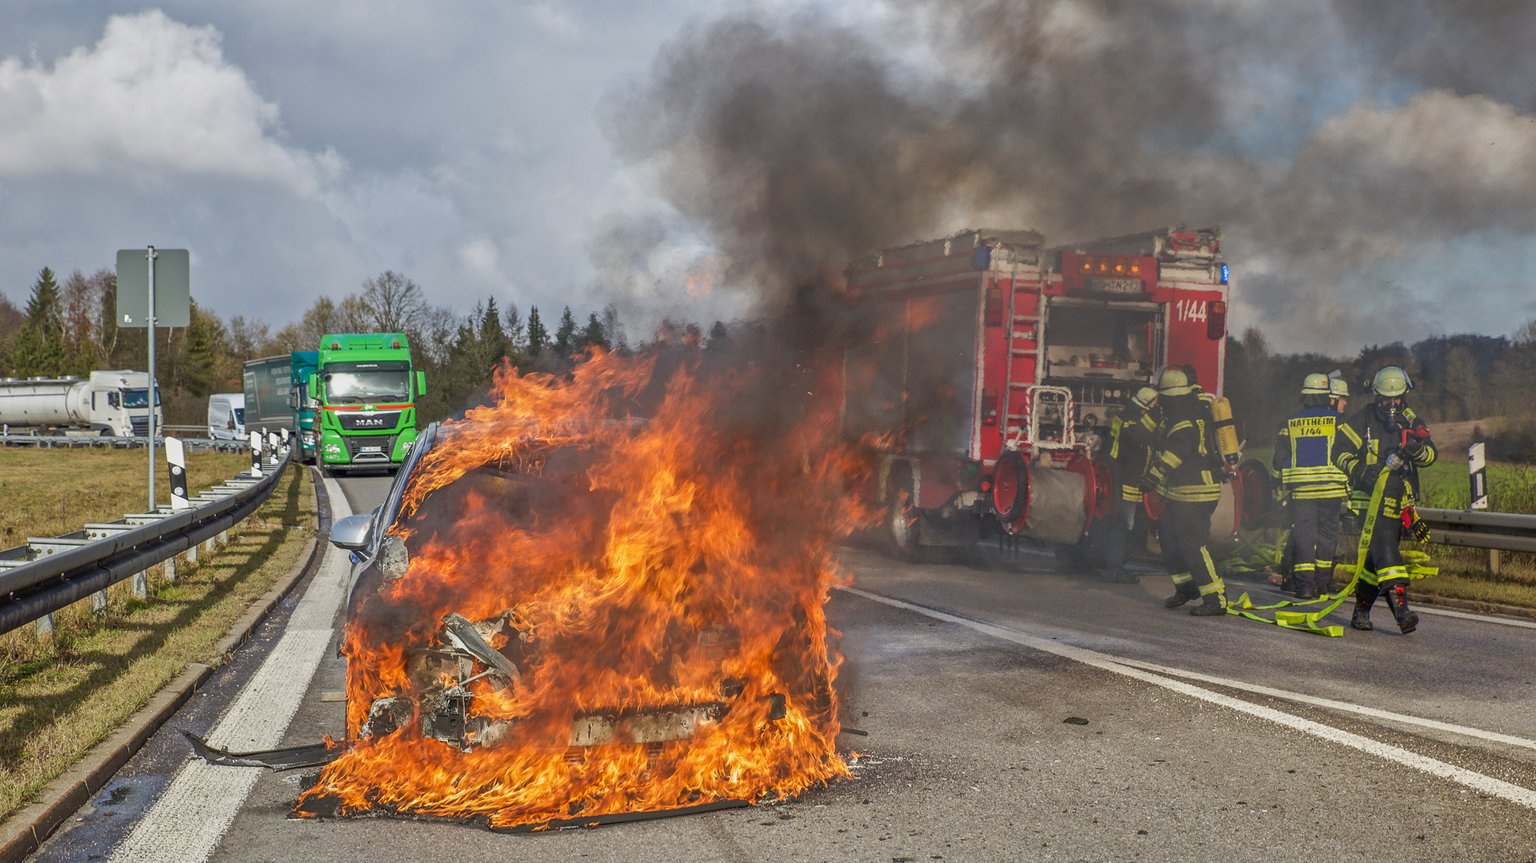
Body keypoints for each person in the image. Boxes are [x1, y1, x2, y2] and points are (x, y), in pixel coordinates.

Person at [1333, 366, 1436, 633]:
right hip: (1368, 502)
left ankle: (1360, 612)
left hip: (1399, 503)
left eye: (1397, 399)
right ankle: (1402, 611)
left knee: (1373, 559)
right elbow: (1339, 451)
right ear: (1376, 396)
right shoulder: (1364, 419)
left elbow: (1431, 457)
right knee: (1386, 551)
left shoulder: (1412, 421)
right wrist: (1359, 471)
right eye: (1386, 399)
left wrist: (1417, 450)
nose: (1392, 404)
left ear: (1404, 396)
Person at [1144, 367, 1227, 616]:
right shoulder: (1184, 413)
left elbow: (1174, 454)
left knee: (1192, 543)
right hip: (1181, 492)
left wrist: (1151, 478)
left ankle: (1216, 598)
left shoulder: (1183, 419)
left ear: (1170, 396)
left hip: (1197, 492)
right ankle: (1186, 587)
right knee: (1168, 536)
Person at [1272, 374, 1349, 601]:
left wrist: (1277, 484)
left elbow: (1279, 459)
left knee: (1304, 536)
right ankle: (1322, 583)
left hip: (1303, 491)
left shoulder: (1291, 421)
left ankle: (1305, 587)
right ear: (1327, 396)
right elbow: (1353, 448)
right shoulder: (1338, 420)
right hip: (1331, 490)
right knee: (1327, 536)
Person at [1098, 387, 1159, 582]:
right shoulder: (1133, 421)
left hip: (1121, 476)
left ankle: (1115, 564)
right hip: (1125, 479)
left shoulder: (1126, 416)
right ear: (1148, 405)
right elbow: (1138, 437)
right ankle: (1113, 567)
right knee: (1122, 523)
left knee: (1123, 523)